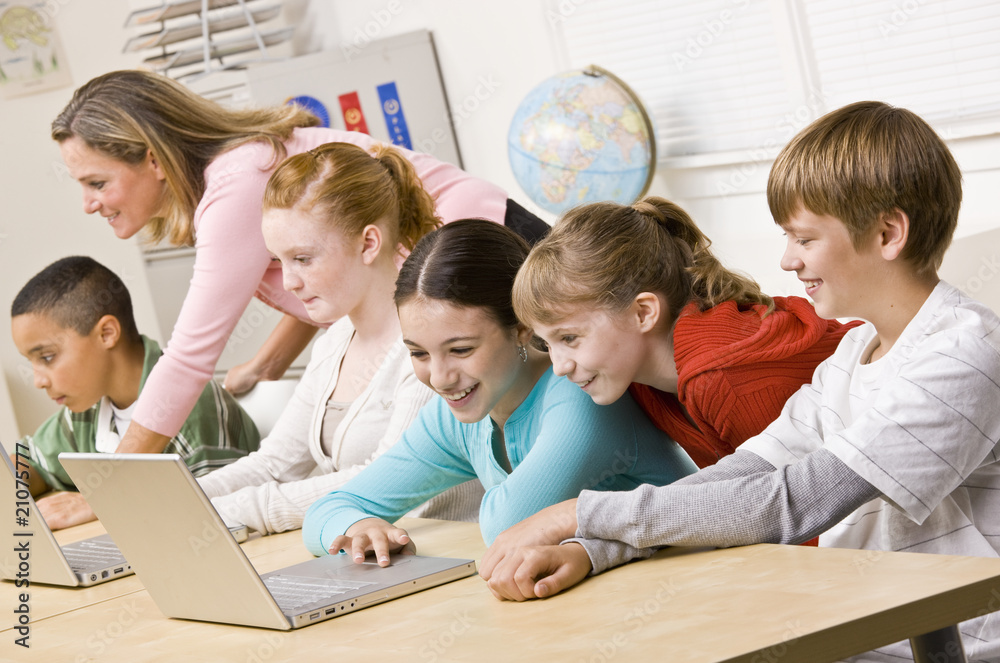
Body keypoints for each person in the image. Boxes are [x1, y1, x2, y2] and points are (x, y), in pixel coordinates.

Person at [480, 101, 1000, 662]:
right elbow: (748, 470)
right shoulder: (854, 354)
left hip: (962, 642)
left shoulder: (962, 354)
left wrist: (578, 513)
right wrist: (592, 549)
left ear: (887, 233)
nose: (787, 261)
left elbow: (794, 503)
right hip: (871, 633)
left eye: (804, 239)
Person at [51, 69, 550, 462]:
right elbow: (325, 277)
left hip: (495, 251)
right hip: (473, 263)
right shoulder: (231, 179)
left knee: (563, 412)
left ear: (154, 161)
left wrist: (112, 490)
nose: (88, 204)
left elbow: (187, 360)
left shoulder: (234, 188)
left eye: (97, 183)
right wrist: (267, 364)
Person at [301, 219, 697, 563]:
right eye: (419, 353)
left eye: (461, 350)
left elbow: (506, 527)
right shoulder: (458, 415)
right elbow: (327, 510)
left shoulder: (582, 395)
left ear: (522, 327)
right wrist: (359, 527)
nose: (440, 378)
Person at [197, 142, 483, 534]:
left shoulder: (430, 346)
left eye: (302, 258)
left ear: (368, 243)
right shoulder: (334, 342)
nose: (289, 281)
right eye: (279, 261)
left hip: (445, 551)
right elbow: (274, 465)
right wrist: (182, 497)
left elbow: (384, 478)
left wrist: (236, 510)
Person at [511, 195, 859, 469]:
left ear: (643, 313)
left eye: (569, 338)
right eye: (547, 343)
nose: (559, 366)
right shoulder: (639, 377)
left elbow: (801, 510)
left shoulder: (723, 379)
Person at [10, 256, 260, 530]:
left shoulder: (192, 414)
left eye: (47, 357)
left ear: (107, 334)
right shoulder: (87, 410)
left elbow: (210, 521)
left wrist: (99, 500)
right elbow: (30, 461)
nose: (38, 381)